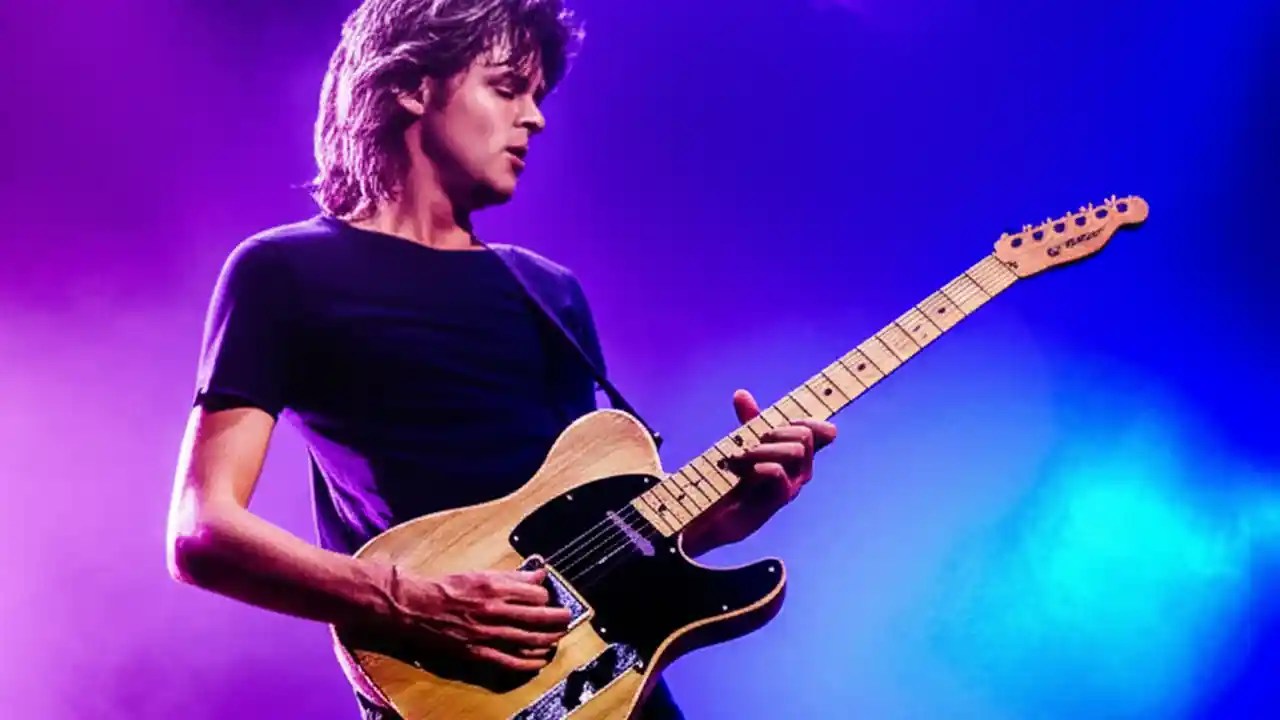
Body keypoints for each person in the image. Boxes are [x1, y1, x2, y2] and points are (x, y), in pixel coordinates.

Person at [164, 1, 838, 718]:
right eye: (507, 87)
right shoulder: (281, 271)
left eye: (538, 97)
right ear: (413, 84)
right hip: (459, 696)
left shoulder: (549, 291)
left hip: (614, 690)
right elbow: (202, 530)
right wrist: (415, 603)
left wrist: (729, 513)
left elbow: (589, 544)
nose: (536, 119)